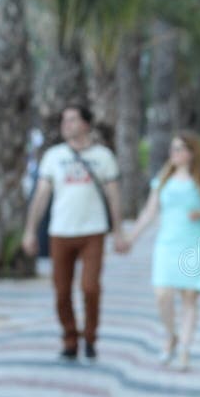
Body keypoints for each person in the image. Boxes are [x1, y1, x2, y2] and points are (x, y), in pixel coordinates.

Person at [22, 105, 129, 361]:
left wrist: (118, 232)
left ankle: (90, 337)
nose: (66, 124)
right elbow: (41, 196)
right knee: (61, 290)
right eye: (64, 120)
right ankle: (70, 338)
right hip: (60, 231)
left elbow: (112, 196)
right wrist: (30, 231)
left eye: (72, 119)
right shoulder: (53, 156)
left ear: (86, 124)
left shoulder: (103, 156)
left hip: (93, 231)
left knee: (90, 288)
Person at [126, 130, 200, 371]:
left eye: (180, 149)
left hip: (195, 243)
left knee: (190, 298)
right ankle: (171, 334)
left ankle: (184, 349)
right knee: (162, 294)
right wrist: (132, 237)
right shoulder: (163, 178)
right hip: (167, 243)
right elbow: (150, 212)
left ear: (192, 153)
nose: (174, 153)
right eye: (173, 149)